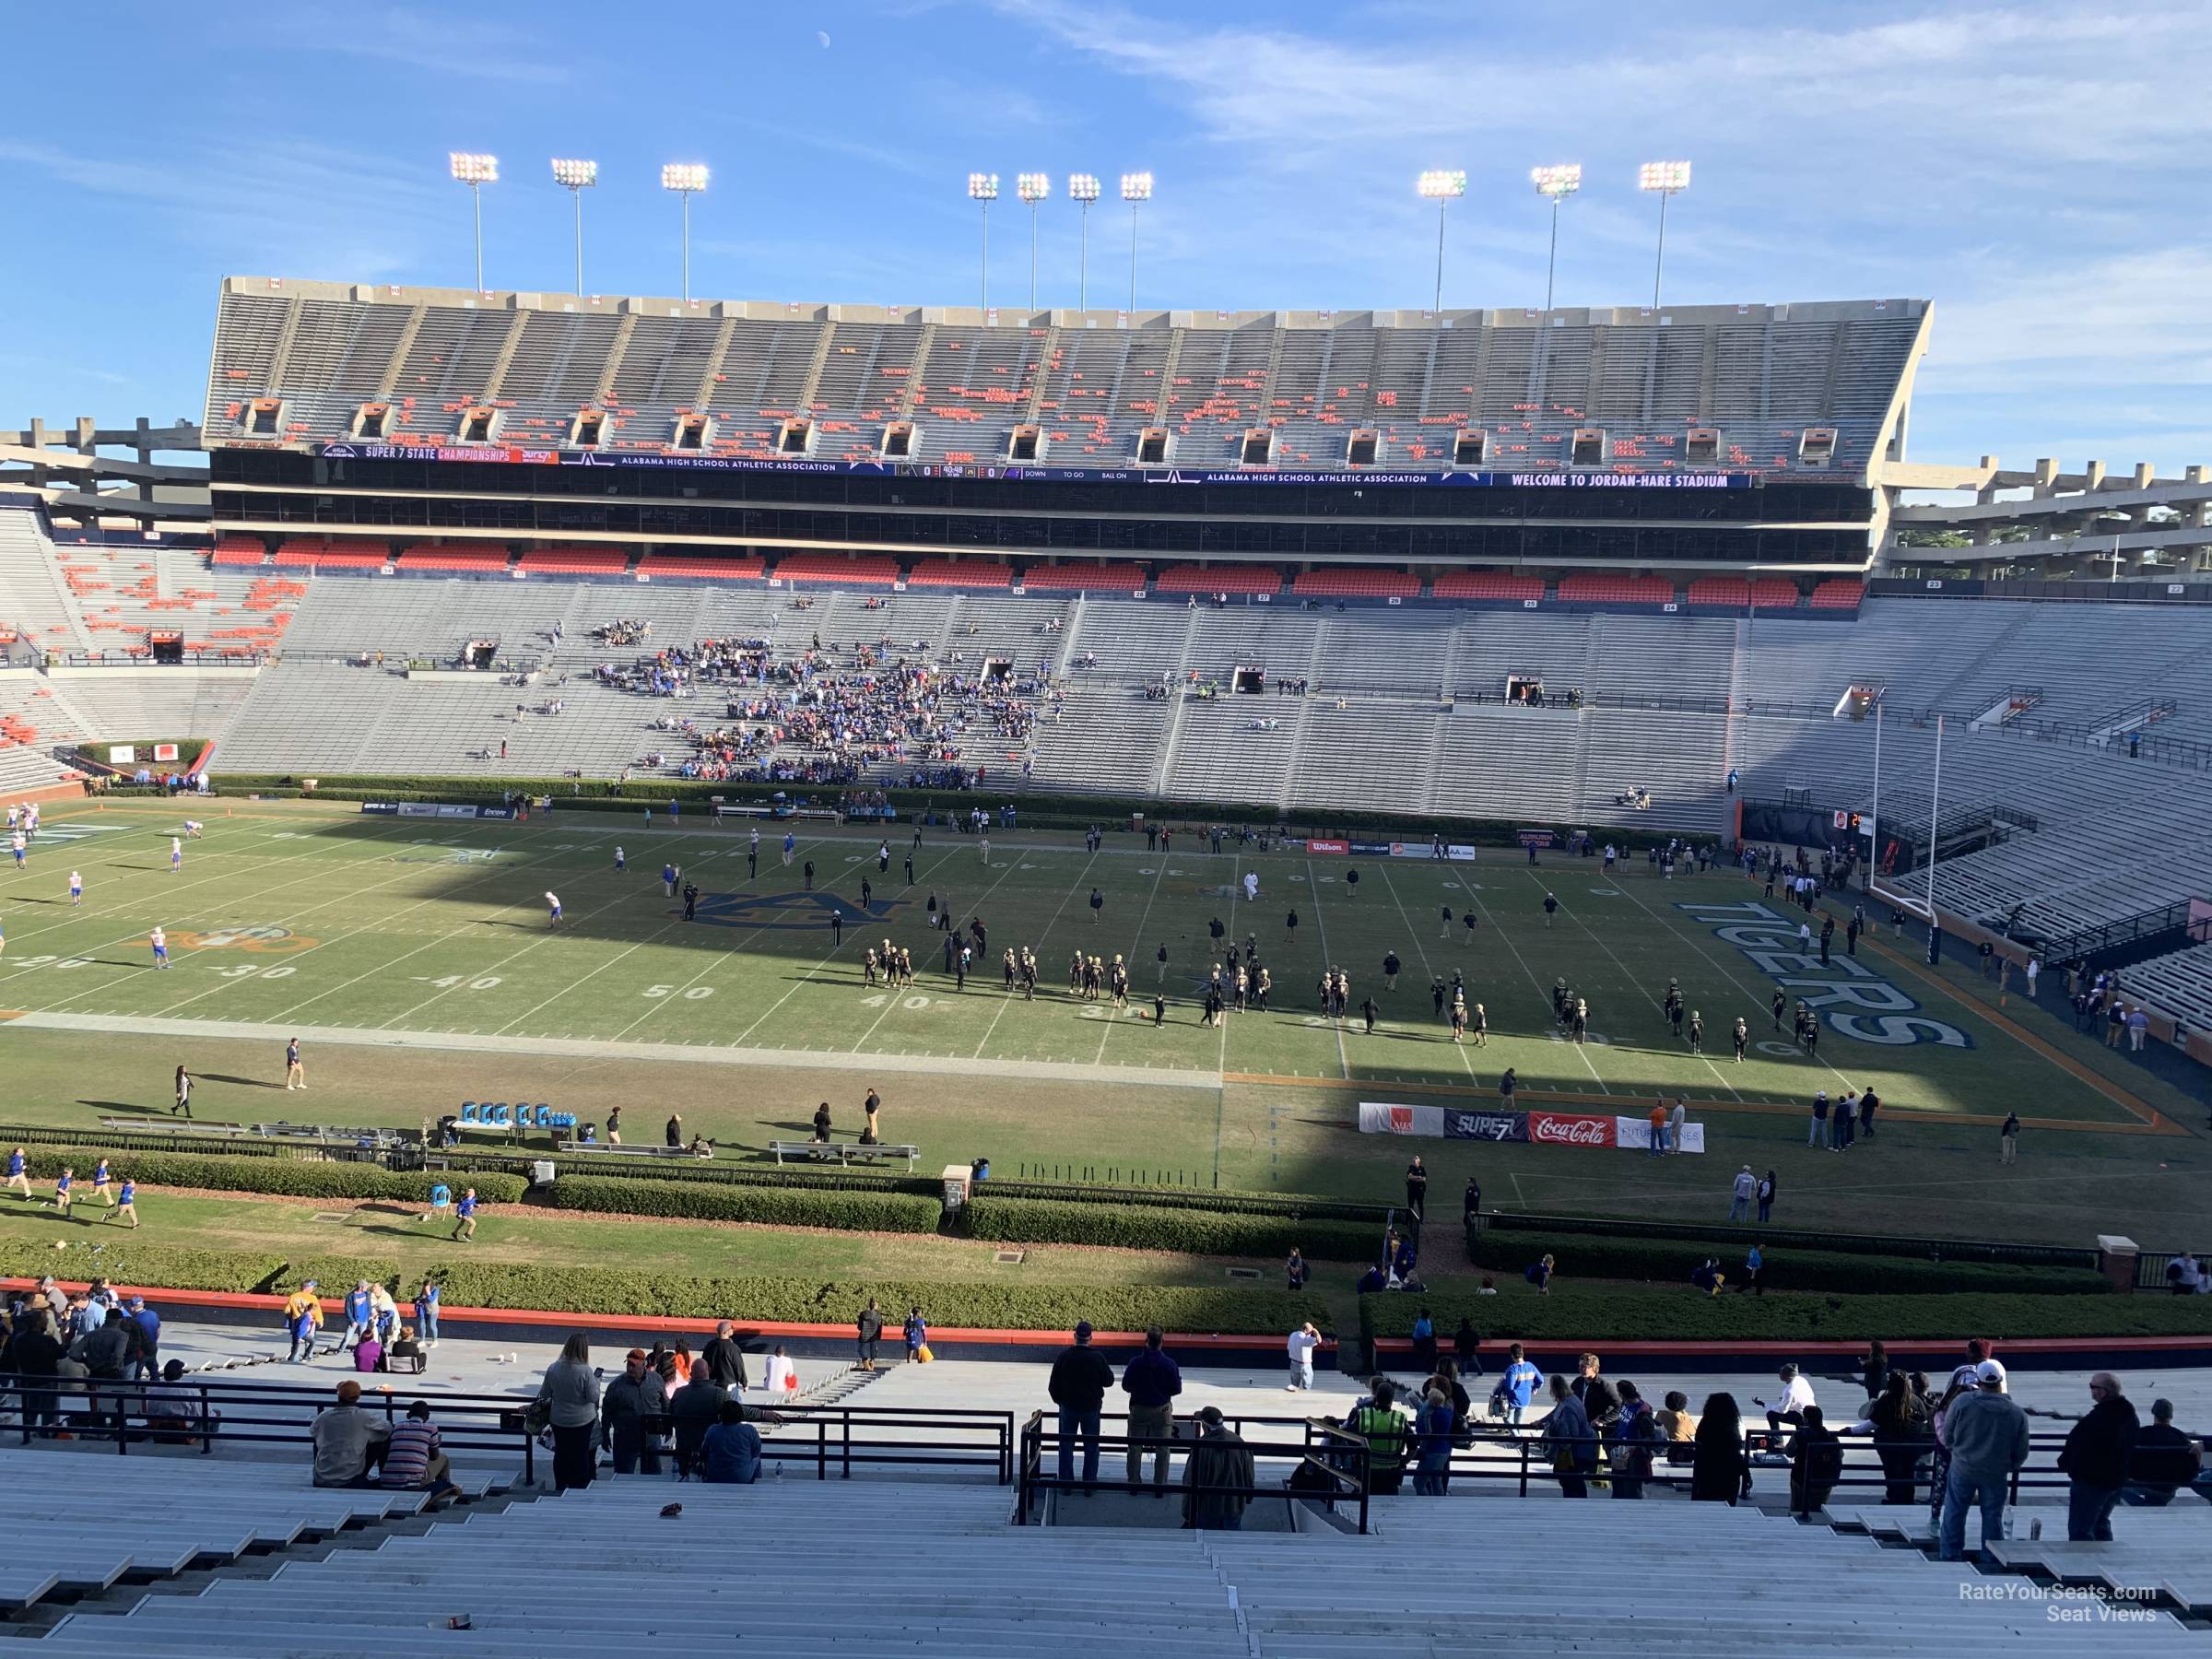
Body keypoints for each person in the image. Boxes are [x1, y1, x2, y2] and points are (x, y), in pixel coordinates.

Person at [1938, 1359, 2030, 1561]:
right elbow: (2021, 1450)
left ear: (1979, 1381)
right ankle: (1990, 1558)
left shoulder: (1962, 1402)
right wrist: (2010, 1466)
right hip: (1996, 1473)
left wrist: (1957, 1450)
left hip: (1963, 1467)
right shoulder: (2017, 1413)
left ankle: (1950, 1555)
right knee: (1992, 1516)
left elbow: (1948, 1434)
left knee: (1954, 1512)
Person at [2058, 1371, 2138, 1542]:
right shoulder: (2127, 1414)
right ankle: (2105, 1559)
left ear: (2103, 1392)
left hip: (2092, 1482)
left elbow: (2082, 1447)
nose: (2091, 1390)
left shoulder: (2101, 1418)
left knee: (2081, 1530)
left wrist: (2069, 1465)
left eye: (2092, 1386)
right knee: (2101, 1523)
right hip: (2115, 1481)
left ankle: (2083, 1565)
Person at [1047, 1321, 1114, 1488]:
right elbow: (1109, 1381)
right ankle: (1089, 1484)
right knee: (1091, 1447)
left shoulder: (1064, 1357)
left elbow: (1053, 1385)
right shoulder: (1098, 1357)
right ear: (1091, 1337)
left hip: (1068, 1407)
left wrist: (1060, 1401)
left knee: (1066, 1447)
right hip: (1091, 1408)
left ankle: (1066, 1483)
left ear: (1075, 1336)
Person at [536, 1334, 604, 1492]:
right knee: (580, 1455)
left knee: (561, 1453)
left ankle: (561, 1484)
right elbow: (593, 1397)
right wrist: (597, 1383)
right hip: (582, 1420)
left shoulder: (553, 1368)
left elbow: (545, 1393)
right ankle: (578, 1487)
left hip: (559, 1419)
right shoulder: (585, 1371)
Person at [1121, 1325, 1182, 1492]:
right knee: (1162, 1449)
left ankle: (1134, 1484)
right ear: (1162, 1342)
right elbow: (1177, 1389)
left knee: (1135, 1448)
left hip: (1139, 1410)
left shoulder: (1135, 1363)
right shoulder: (1170, 1364)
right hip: (1162, 1411)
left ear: (1146, 1342)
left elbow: (1126, 1385)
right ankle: (1160, 1486)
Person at [1862, 1371, 1932, 1505]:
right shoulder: (1916, 1401)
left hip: (1889, 1446)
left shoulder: (1885, 1400)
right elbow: (1923, 1420)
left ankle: (1894, 1498)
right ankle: (1908, 1499)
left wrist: (1852, 1430)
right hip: (1912, 1446)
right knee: (1908, 1471)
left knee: (1891, 1472)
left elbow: (1874, 1422)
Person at [1181, 1406, 1254, 1530]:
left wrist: (1187, 1512)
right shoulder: (1239, 1442)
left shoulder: (1200, 1448)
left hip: (1207, 1510)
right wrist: (1248, 1497)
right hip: (1233, 1507)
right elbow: (1249, 1473)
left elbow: (1190, 1480)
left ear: (1204, 1426)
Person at [600, 1347, 668, 1476]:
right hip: (625, 1439)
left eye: (634, 1365)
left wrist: (667, 1426)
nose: (630, 1368)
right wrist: (605, 1435)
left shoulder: (656, 1380)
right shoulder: (616, 1386)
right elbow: (607, 1412)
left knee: (653, 1477)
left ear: (643, 1364)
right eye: (629, 1365)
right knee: (622, 1477)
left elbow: (665, 1404)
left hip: (651, 1439)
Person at [310, 1380, 390, 1488]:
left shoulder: (323, 1417)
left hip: (322, 1478)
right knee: (382, 1439)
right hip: (350, 1478)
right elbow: (387, 1428)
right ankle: (380, 1476)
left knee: (318, 1440)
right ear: (358, 1397)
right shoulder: (363, 1417)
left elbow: (313, 1432)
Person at [2124, 1398, 2203, 1506]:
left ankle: (2142, 1504)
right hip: (2167, 1489)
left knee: (2115, 1486)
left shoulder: (2141, 1434)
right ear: (2170, 1415)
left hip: (2141, 1483)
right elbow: (2191, 1471)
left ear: (2153, 1413)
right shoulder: (2180, 1437)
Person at [382, 1401, 458, 1501]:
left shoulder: (398, 1427)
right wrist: (436, 1444)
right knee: (443, 1458)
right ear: (428, 1416)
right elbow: (434, 1457)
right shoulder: (431, 1428)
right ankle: (444, 1488)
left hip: (387, 1482)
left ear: (408, 1415)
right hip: (413, 1484)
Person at [1538, 1375, 1598, 1499]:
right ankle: (1579, 1505)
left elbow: (1572, 1435)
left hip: (1576, 1453)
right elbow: (1556, 1412)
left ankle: (1574, 1505)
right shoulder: (1573, 1399)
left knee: (1570, 1481)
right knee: (1575, 1481)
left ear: (1554, 1390)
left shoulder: (1568, 1408)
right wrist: (1542, 1421)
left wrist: (1558, 1441)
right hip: (1585, 1448)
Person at [1347, 1377, 1410, 1494]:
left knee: (1362, 1495)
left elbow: (1350, 1437)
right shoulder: (1400, 1418)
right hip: (1391, 1473)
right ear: (1392, 1399)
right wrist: (1403, 1462)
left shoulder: (1363, 1414)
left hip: (1366, 1469)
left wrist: (1357, 1456)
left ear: (1376, 1397)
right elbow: (1413, 1445)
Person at [1691, 1393, 1750, 1504]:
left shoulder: (1705, 1423)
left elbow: (1699, 1443)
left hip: (1707, 1470)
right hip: (1729, 1473)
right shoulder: (1732, 1426)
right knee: (1728, 1503)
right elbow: (1736, 1453)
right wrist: (1746, 1473)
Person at [1788, 1406, 1846, 1512]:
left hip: (1801, 1478)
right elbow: (1840, 1455)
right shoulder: (1832, 1437)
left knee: (1797, 1507)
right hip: (1824, 1480)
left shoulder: (1799, 1435)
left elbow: (1789, 1452)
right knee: (1818, 1510)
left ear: (1806, 1419)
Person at [1758, 1362, 1816, 1459]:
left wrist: (1765, 1405)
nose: (1779, 1375)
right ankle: (1802, 1446)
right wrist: (1790, 1403)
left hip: (1801, 1417)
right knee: (1800, 1429)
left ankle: (1778, 1442)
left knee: (1771, 1414)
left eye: (1781, 1373)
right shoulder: (1802, 1380)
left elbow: (1782, 1410)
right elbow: (1808, 1396)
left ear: (1786, 1376)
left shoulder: (1789, 1390)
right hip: (1810, 1412)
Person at [700, 1399, 763, 1484]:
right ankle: (756, 1484)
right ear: (740, 1415)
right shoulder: (749, 1430)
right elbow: (756, 1451)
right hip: (741, 1477)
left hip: (715, 1476)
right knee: (757, 1459)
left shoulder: (713, 1430)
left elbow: (704, 1451)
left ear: (721, 1415)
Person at [1412, 1386, 1456, 1496]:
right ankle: (1439, 1502)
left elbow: (1421, 1431)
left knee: (1418, 1482)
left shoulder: (1432, 1415)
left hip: (1433, 1452)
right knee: (1436, 1480)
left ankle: (1426, 1504)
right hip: (1445, 1450)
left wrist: (1419, 1418)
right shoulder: (1447, 1412)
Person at [1496, 1343, 1542, 1428]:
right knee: (1518, 1423)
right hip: (1525, 1399)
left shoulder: (1513, 1369)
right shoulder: (1531, 1366)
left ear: (1512, 1356)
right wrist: (1535, 1388)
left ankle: (1519, 1439)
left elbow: (1510, 1388)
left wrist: (1503, 1382)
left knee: (1508, 1420)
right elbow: (1541, 1380)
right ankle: (1519, 1438)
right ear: (1522, 1353)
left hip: (1512, 1401)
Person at [283, 1281, 324, 1363]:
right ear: (307, 1288)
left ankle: (294, 1359)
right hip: (309, 1322)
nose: (313, 1288)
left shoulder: (293, 1296)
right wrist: (320, 1321)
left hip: (295, 1321)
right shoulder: (312, 1298)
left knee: (295, 1342)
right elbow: (317, 1311)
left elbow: (286, 1310)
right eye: (312, 1287)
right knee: (310, 1341)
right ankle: (307, 1356)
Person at [1286, 1321, 1321, 1393]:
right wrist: (1316, 1332)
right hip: (1305, 1366)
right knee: (1307, 1388)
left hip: (1293, 1363)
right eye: (1310, 1333)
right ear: (1305, 1330)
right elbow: (1319, 1340)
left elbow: (1288, 1348)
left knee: (1294, 1387)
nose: (1311, 1335)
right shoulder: (1306, 1339)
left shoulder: (1293, 1335)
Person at [856, 1298, 884, 1371]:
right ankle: (872, 1363)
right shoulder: (878, 1315)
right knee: (873, 1349)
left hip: (864, 1334)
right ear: (875, 1306)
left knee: (860, 1349)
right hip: (874, 1334)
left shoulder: (863, 1313)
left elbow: (859, 1326)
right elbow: (880, 1327)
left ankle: (865, 1361)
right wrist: (879, 1336)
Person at [413, 1278, 441, 1347]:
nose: (425, 1287)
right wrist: (418, 1301)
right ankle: (422, 1340)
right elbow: (421, 1298)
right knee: (422, 1325)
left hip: (433, 1311)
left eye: (427, 1286)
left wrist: (428, 1292)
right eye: (425, 1285)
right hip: (424, 1310)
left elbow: (431, 1299)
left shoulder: (435, 1290)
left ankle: (435, 1340)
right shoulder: (423, 1290)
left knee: (432, 1325)